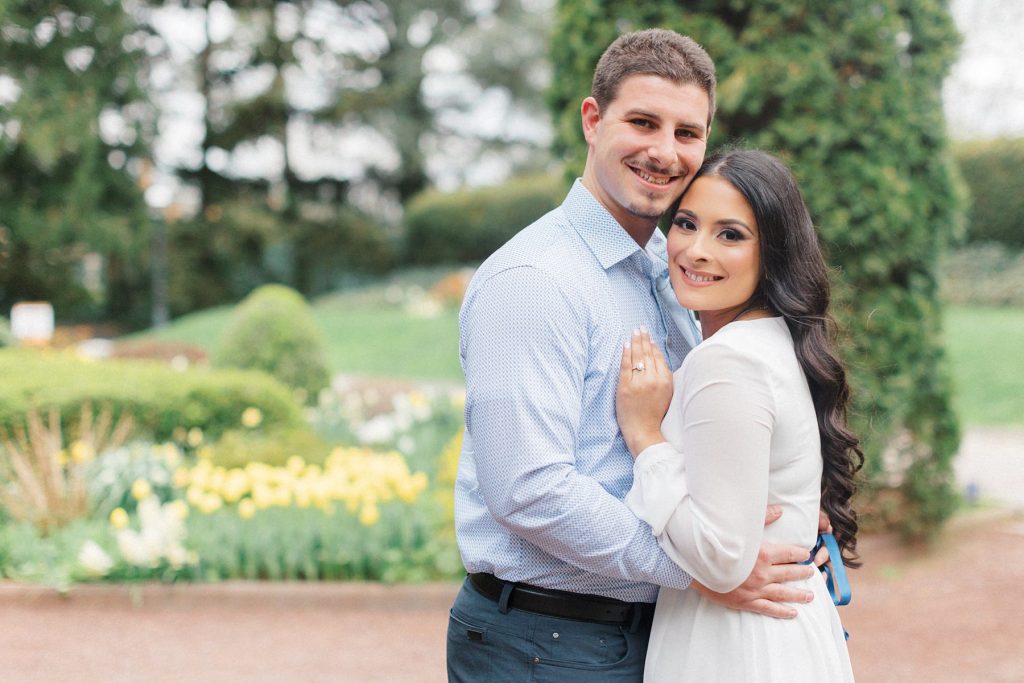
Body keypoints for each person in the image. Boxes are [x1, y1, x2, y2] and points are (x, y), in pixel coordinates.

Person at [447, 29, 826, 682]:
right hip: (548, 641)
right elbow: (529, 489)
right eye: (643, 123)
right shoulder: (536, 281)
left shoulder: (676, 267)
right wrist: (706, 564)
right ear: (593, 121)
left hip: (649, 634)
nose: (664, 151)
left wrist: (767, 505)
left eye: (687, 132)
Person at [616, 149, 862, 681]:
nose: (696, 250)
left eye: (730, 235)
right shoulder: (774, 340)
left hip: (734, 644)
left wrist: (645, 437)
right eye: (686, 224)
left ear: (772, 254)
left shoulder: (727, 360)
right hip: (775, 634)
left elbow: (722, 559)